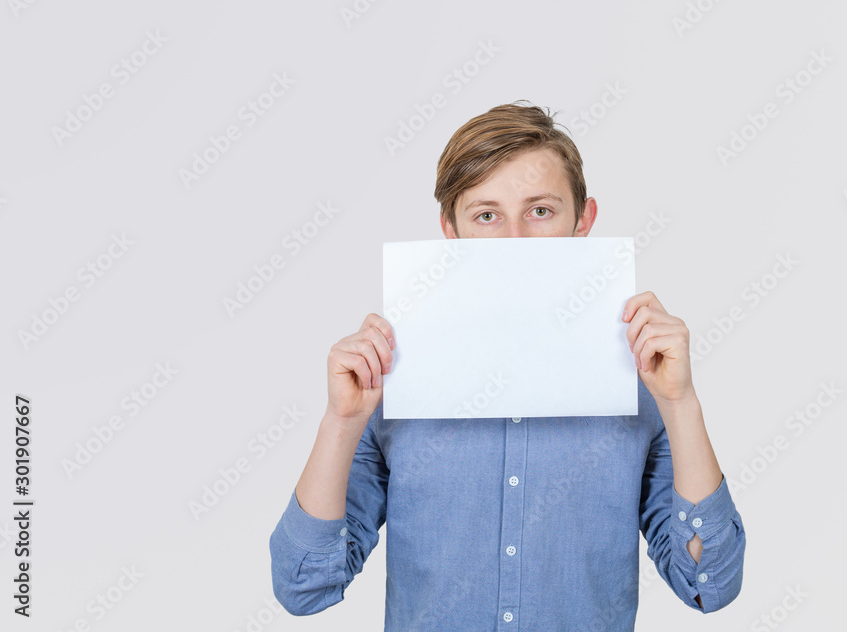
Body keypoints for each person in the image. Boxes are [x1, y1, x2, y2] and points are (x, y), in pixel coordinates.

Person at [269, 101, 746, 629]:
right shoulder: (394, 383)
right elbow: (302, 585)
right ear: (451, 229)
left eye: (540, 211)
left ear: (582, 220)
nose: (515, 240)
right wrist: (341, 422)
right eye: (487, 215)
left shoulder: (639, 383)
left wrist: (680, 403)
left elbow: (710, 582)